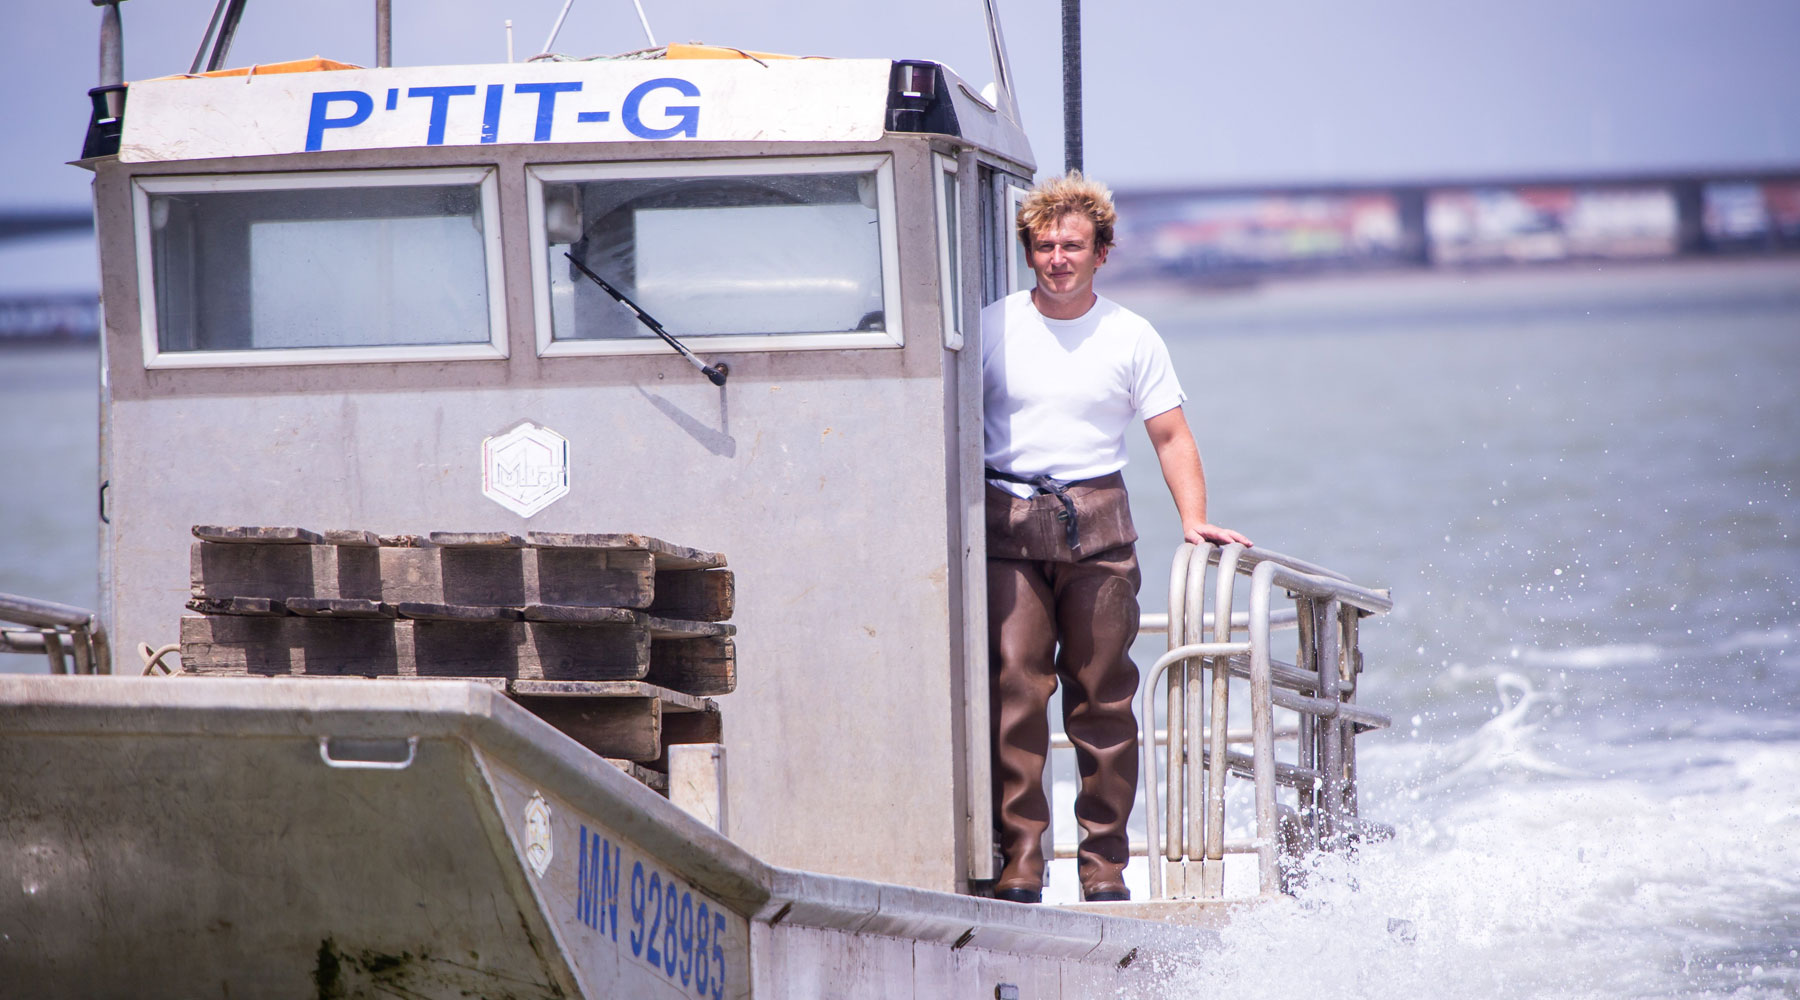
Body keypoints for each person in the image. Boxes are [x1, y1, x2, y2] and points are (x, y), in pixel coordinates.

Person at [982, 173, 1252, 904]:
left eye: (1073, 244)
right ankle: (1023, 860)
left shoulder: (1131, 334)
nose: (1058, 258)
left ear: (1103, 251)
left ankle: (1104, 866)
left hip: (1099, 524)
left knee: (1102, 698)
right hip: (1006, 519)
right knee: (1014, 690)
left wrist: (1193, 519)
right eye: (1045, 245)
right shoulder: (991, 325)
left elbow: (1170, 435)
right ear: (1028, 252)